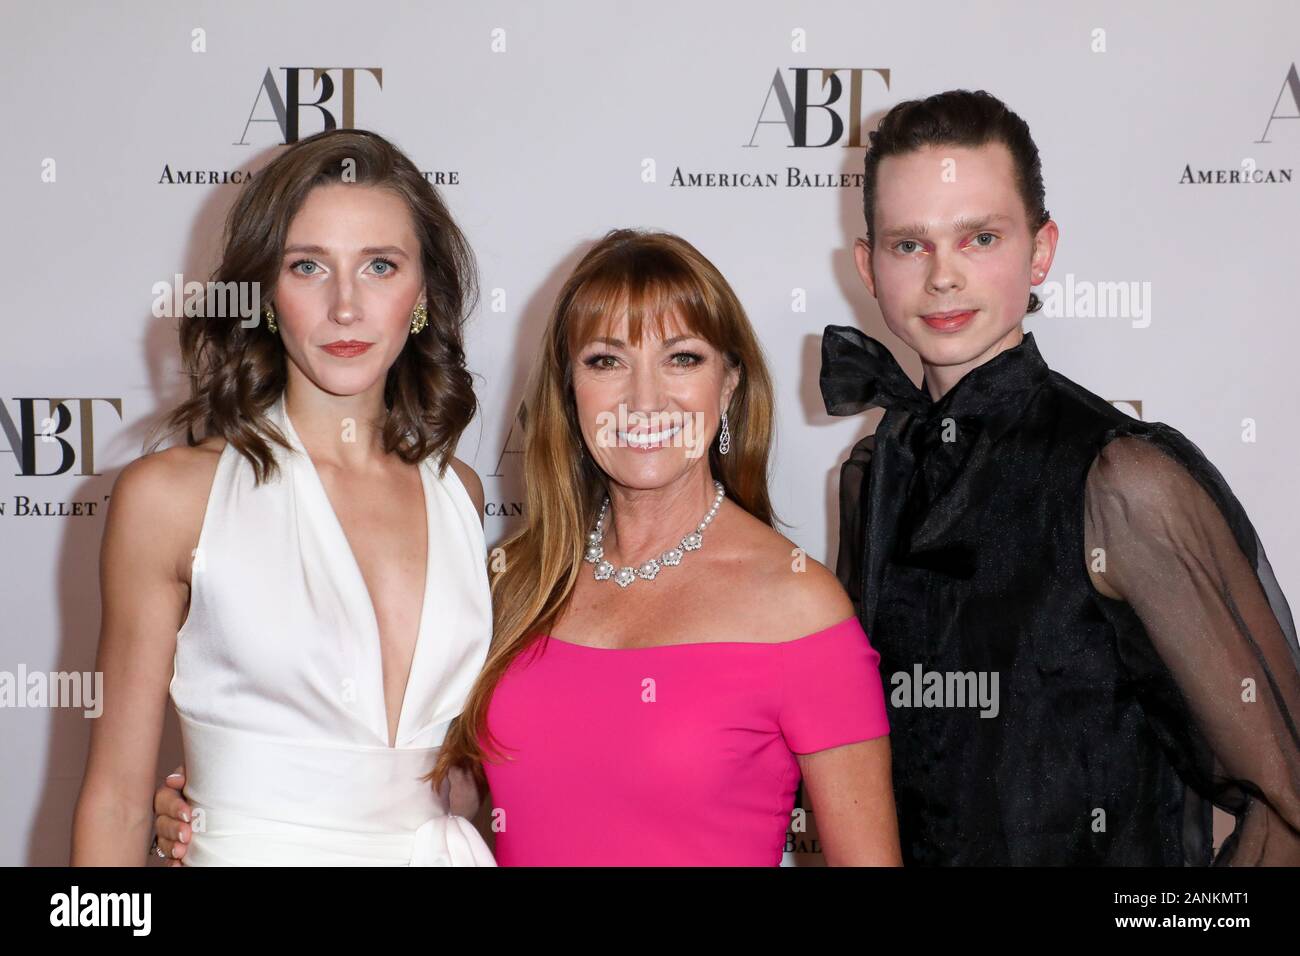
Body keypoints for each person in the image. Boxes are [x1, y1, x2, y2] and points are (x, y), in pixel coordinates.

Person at [155, 228, 902, 866]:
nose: (644, 399)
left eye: (682, 358)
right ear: (569, 390)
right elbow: (441, 795)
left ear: (730, 384)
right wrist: (239, 797)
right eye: (606, 360)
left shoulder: (797, 605)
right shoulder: (514, 581)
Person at [819, 88, 1300, 865]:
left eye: (979, 237)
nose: (943, 277)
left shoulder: (1121, 478)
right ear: (869, 267)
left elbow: (1286, 800)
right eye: (911, 245)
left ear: (1040, 251)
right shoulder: (877, 470)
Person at [71, 128, 495, 866]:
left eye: (380, 267)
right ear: (264, 293)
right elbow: (112, 801)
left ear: (421, 295)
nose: (345, 307)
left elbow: (444, 776)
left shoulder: (459, 493)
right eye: (308, 266)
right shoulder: (169, 499)